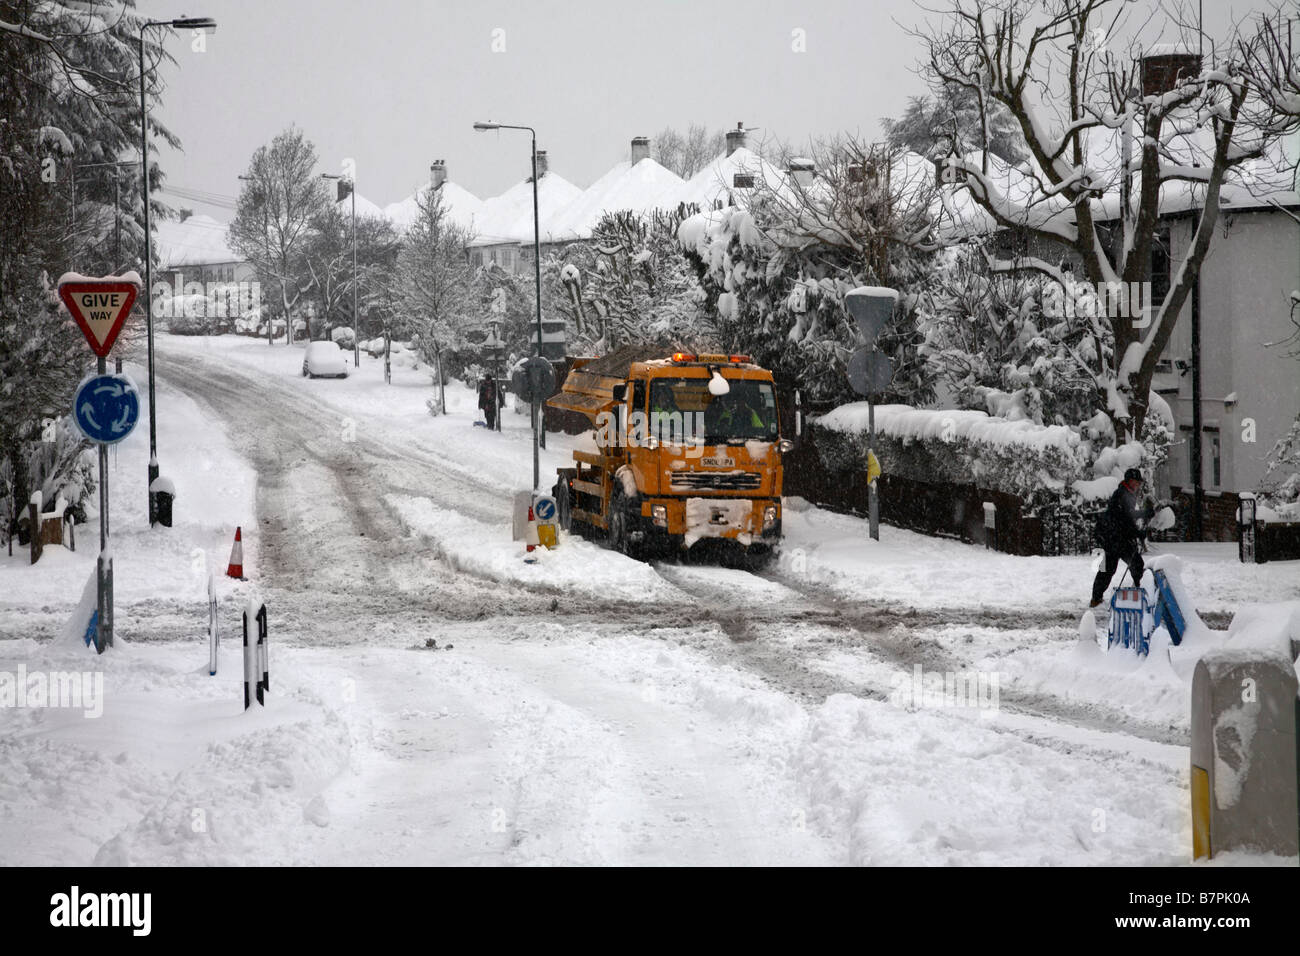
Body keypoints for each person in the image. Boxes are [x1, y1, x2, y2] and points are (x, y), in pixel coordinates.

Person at [1090, 467, 1148, 608]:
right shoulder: (1123, 495)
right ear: (1128, 481)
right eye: (1134, 482)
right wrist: (1137, 532)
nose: (1136, 485)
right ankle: (1143, 594)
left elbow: (1128, 516)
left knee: (1108, 569)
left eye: (1137, 483)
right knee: (1136, 564)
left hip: (1114, 537)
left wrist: (1142, 514)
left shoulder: (1125, 494)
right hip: (1117, 538)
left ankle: (1096, 598)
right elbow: (1125, 518)